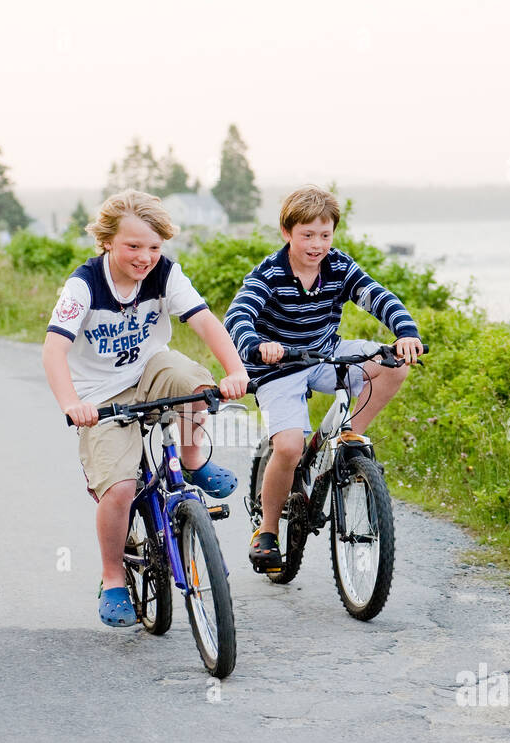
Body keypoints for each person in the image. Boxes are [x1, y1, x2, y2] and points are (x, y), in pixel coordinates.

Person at [42, 190, 249, 626]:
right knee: (118, 490)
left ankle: (192, 462)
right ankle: (113, 576)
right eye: (133, 246)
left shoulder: (165, 274)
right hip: (100, 397)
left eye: (154, 247)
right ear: (107, 242)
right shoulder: (84, 285)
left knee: (198, 386)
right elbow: (53, 351)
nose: (145, 257)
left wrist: (234, 371)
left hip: (150, 371)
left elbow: (206, 322)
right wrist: (72, 404)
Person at [224, 185, 423, 572]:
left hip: (324, 355)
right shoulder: (269, 273)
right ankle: (266, 529)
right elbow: (238, 317)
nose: (317, 245)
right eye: (307, 235)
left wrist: (406, 332)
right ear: (288, 233)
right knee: (288, 448)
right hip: (279, 368)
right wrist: (258, 345)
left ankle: (347, 435)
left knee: (393, 363)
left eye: (325, 235)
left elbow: (376, 296)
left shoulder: (337, 266)